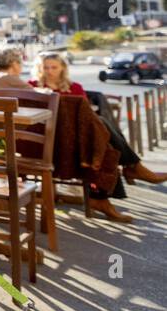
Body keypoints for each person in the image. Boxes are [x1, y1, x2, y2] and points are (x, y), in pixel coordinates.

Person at [29, 52, 167, 221]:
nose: (50, 71)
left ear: (63, 68)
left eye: (54, 67)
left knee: (102, 143)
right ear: (39, 68)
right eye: (46, 67)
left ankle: (106, 194)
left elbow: (86, 117)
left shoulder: (75, 87)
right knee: (102, 134)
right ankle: (129, 169)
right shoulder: (31, 87)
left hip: (77, 139)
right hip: (50, 140)